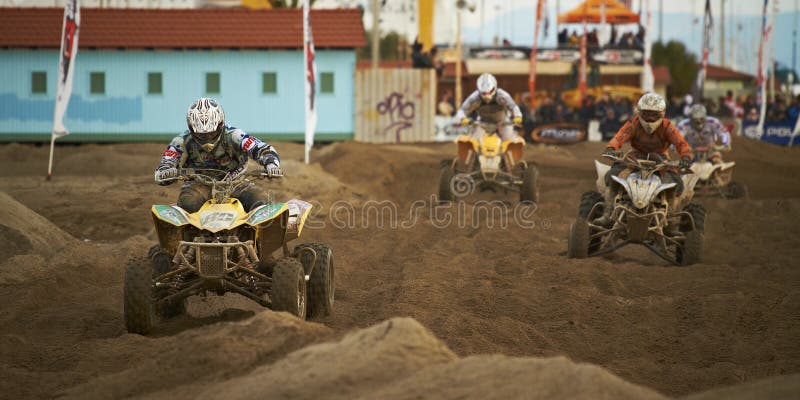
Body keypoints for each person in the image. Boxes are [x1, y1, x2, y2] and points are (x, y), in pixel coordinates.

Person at [154, 97, 281, 213]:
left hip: (236, 183)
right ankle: (185, 235)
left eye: (211, 133)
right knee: (188, 202)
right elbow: (166, 163)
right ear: (191, 128)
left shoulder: (234, 135)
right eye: (202, 135)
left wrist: (270, 163)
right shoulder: (181, 141)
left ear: (221, 124)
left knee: (261, 200)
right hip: (199, 185)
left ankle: (261, 237)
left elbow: (261, 148)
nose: (207, 138)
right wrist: (167, 172)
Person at [593, 92, 693, 227]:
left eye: (654, 114)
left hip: (662, 160)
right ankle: (608, 213)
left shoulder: (667, 127)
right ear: (639, 112)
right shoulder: (633, 123)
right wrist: (611, 147)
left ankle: (670, 219)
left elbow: (681, 143)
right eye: (646, 114)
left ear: (662, 114)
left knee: (674, 184)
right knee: (612, 176)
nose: (650, 119)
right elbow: (620, 136)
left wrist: (686, 156)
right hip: (635, 157)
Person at [455, 73, 523, 142]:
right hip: (482, 122)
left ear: (495, 87)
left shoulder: (503, 96)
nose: (487, 95)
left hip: (503, 122)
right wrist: (462, 118)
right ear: (478, 90)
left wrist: (518, 116)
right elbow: (462, 110)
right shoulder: (474, 98)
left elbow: (513, 106)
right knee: (474, 141)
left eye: (490, 91)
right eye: (484, 93)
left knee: (508, 139)